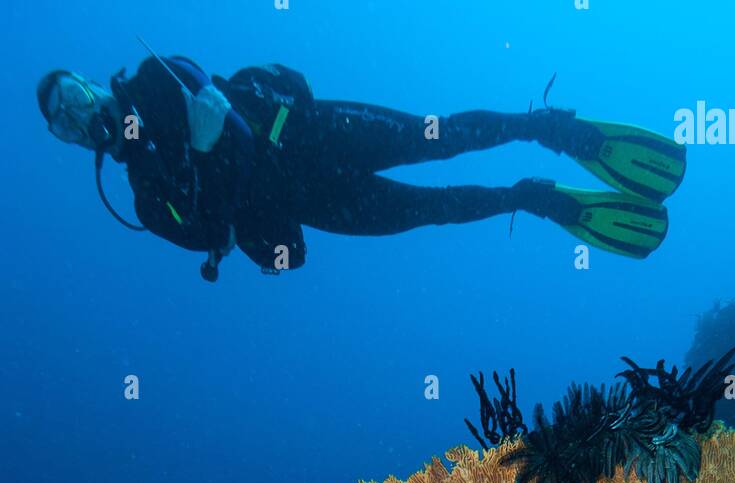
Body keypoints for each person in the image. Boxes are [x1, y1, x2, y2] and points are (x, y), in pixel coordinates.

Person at [37, 55, 685, 282]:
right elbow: (209, 238)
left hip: (315, 137)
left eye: (70, 95)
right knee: (433, 210)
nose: (73, 114)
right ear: (68, 142)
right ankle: (534, 198)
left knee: (438, 137)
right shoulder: (144, 200)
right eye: (61, 121)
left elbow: (219, 111)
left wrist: (216, 155)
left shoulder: (154, 78)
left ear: (90, 83)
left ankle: (546, 128)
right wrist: (209, 157)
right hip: (315, 205)